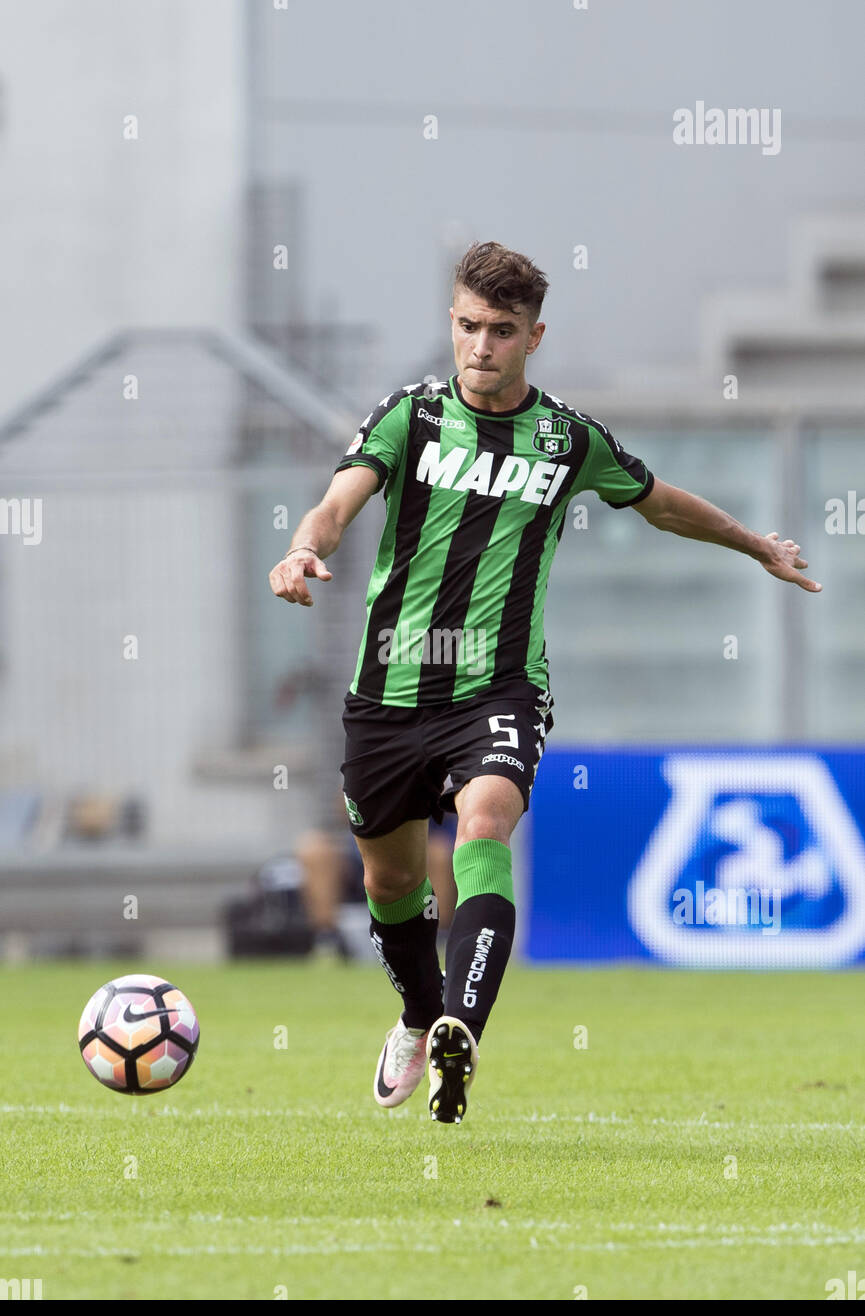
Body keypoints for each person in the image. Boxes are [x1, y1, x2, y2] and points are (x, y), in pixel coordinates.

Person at [269, 240, 821, 1125]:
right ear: (451, 323)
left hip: (497, 687)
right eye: (465, 326)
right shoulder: (409, 416)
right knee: (388, 885)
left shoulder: (567, 440)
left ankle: (460, 1026)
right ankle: (419, 1015)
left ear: (533, 336)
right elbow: (339, 502)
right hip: (388, 694)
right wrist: (303, 548)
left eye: (499, 330)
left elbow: (661, 502)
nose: (478, 347)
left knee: (486, 820)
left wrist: (757, 545)